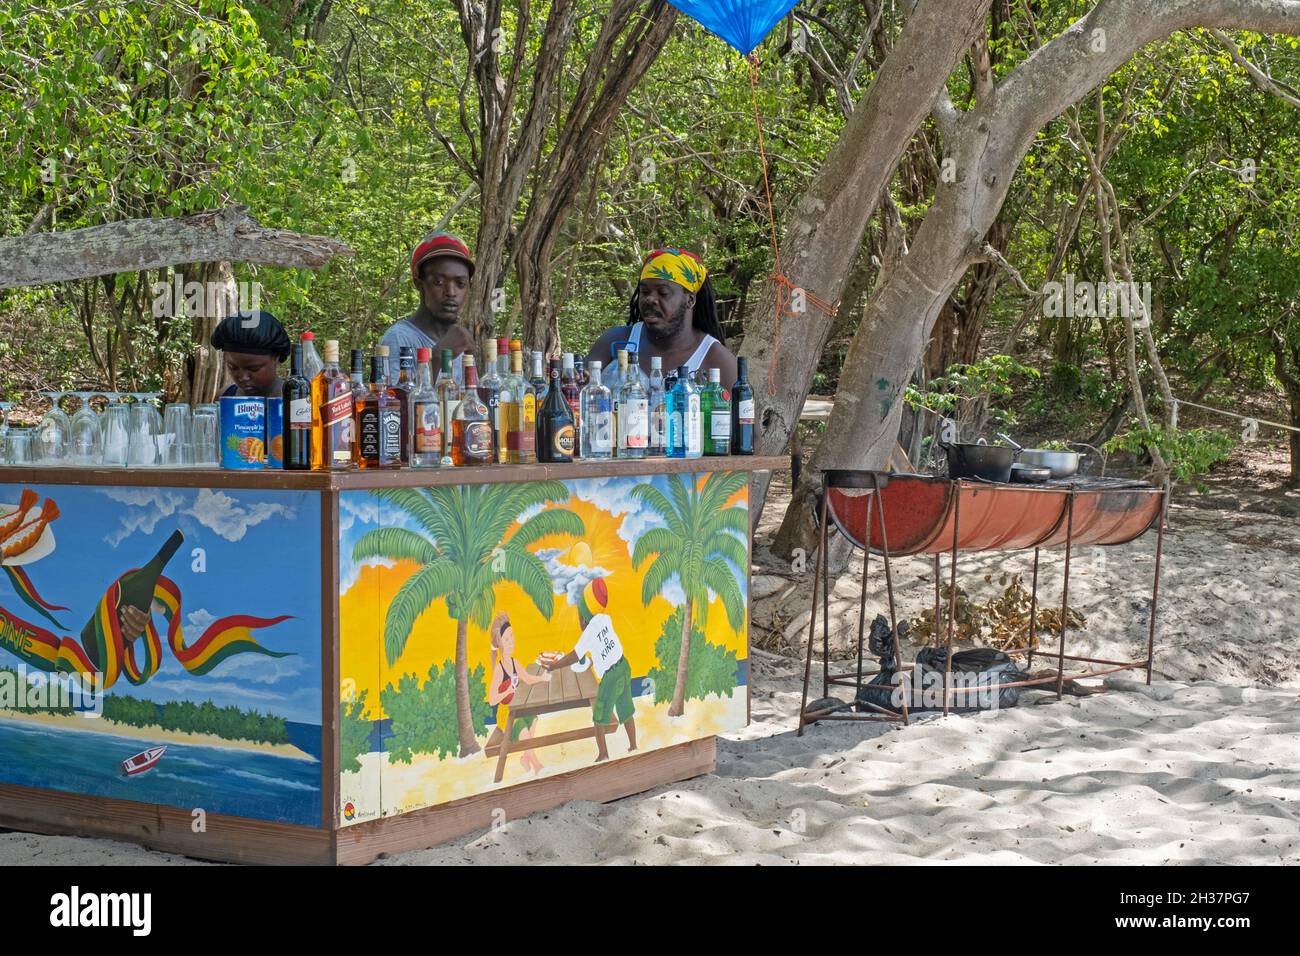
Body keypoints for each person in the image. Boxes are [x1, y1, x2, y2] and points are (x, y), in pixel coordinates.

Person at [586, 247, 737, 384]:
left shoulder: (717, 359)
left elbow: (742, 413)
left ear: (690, 300)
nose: (650, 299)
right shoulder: (616, 341)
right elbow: (576, 394)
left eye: (663, 293)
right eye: (644, 292)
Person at [542, 577, 636, 763]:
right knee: (626, 709)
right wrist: (594, 661)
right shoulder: (605, 618)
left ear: (584, 615)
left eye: (579, 615)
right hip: (623, 666)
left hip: (610, 677)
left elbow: (575, 655)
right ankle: (633, 745)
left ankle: (603, 753)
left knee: (599, 718)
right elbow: (603, 646)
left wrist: (554, 665)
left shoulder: (589, 631)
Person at [381, 231, 476, 381]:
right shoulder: (399, 338)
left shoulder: (460, 342)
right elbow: (393, 402)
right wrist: (439, 356)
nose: (451, 292)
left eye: (460, 284)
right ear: (419, 285)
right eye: (438, 282)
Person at [484, 612, 551, 777]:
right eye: (507, 639)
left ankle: (525, 759)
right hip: (505, 714)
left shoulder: (514, 663)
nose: (511, 641)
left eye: (512, 636)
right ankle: (537, 765)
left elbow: (527, 678)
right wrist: (507, 691)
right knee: (521, 725)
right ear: (499, 643)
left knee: (533, 717)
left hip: (517, 707)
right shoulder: (500, 669)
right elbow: (492, 699)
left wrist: (542, 677)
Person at [210, 310, 292, 397]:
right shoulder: (225, 396)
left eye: (254, 369)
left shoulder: (298, 401)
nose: (243, 377)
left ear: (276, 358)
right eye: (233, 367)